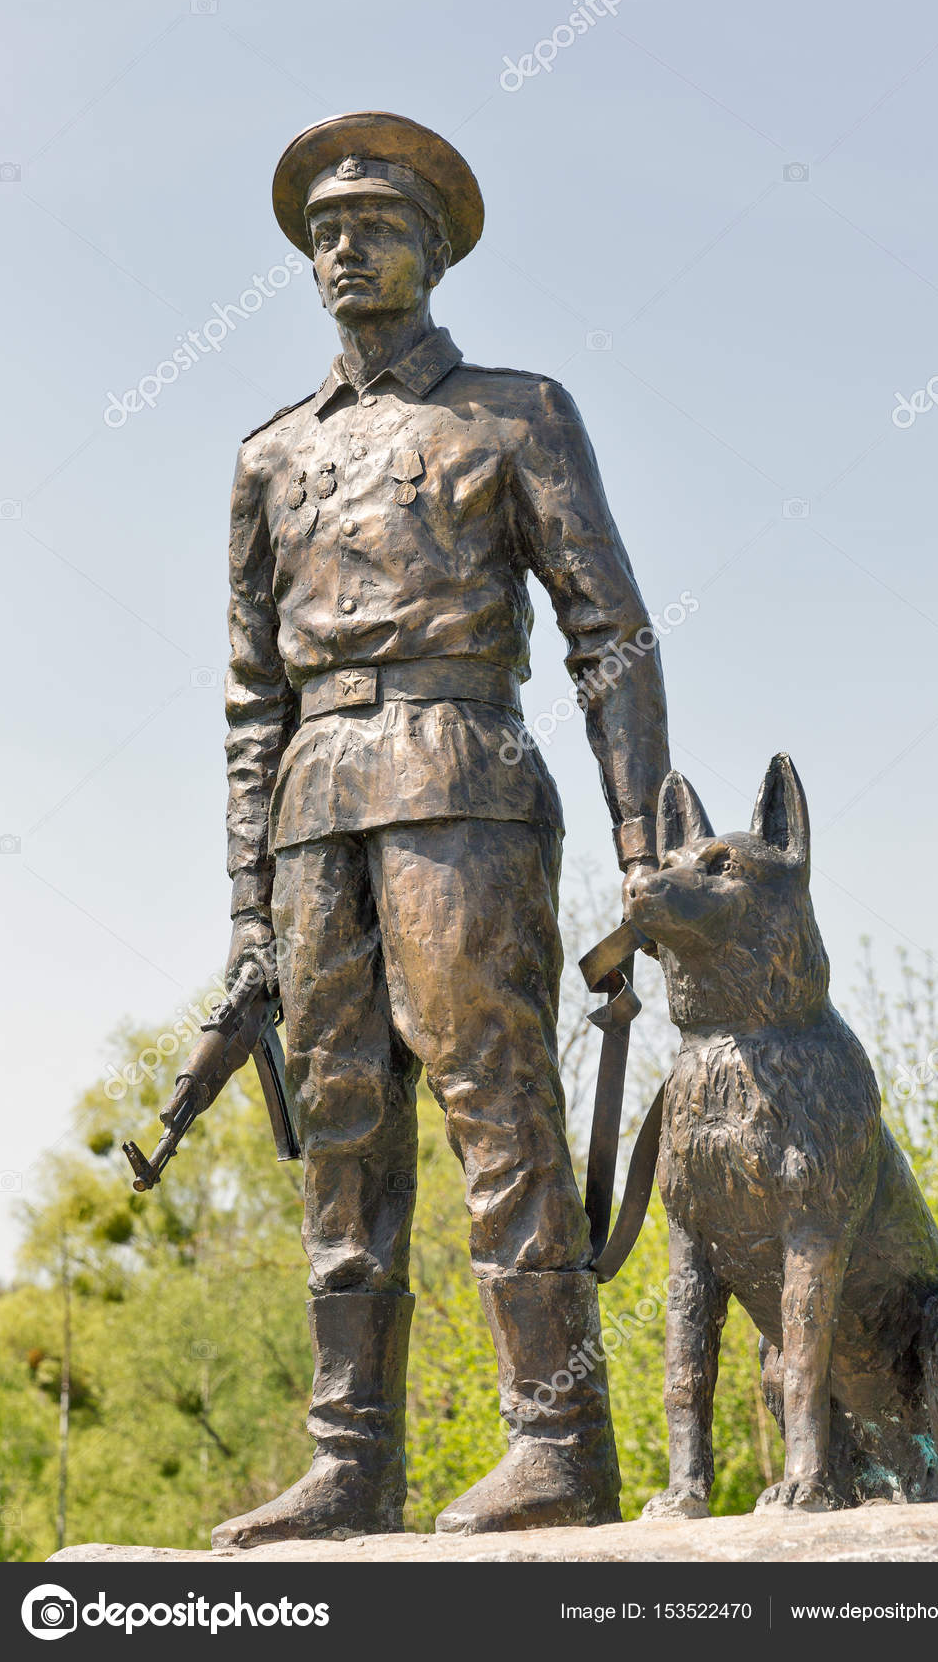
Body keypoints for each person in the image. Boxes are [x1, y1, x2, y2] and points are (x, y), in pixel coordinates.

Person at [212, 112, 670, 1548]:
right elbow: (247, 699)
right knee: (341, 1132)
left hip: (462, 770)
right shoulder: (269, 457)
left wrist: (646, 851)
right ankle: (352, 1465)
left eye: (375, 226)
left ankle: (558, 1445)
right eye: (323, 233)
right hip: (312, 814)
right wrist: (244, 915)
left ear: (434, 248)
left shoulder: (513, 412)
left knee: (496, 1101)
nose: (345, 249)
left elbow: (610, 638)